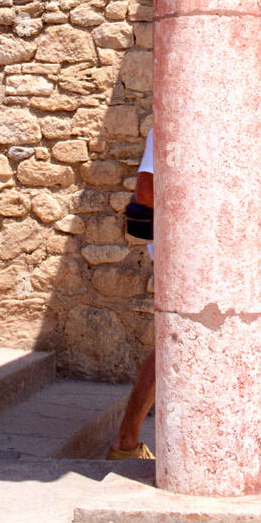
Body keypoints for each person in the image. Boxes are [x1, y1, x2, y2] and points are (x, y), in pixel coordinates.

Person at [107, 126, 155, 461]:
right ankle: (126, 440)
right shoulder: (171, 123)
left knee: (172, 345)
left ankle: (125, 443)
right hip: (188, 248)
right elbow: (146, 190)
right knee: (175, 343)